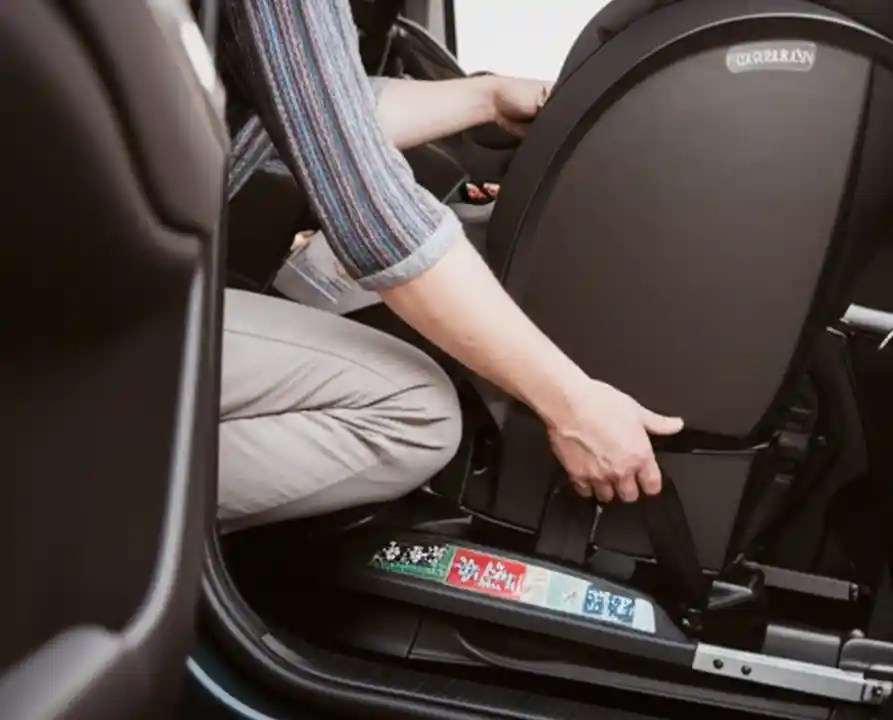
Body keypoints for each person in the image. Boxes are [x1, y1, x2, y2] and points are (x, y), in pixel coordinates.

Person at [215, 0, 682, 532]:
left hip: (118, 283)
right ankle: (107, 500)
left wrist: (485, 96)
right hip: (105, 307)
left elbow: (314, 108)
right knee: (417, 411)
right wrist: (573, 404)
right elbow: (373, 219)